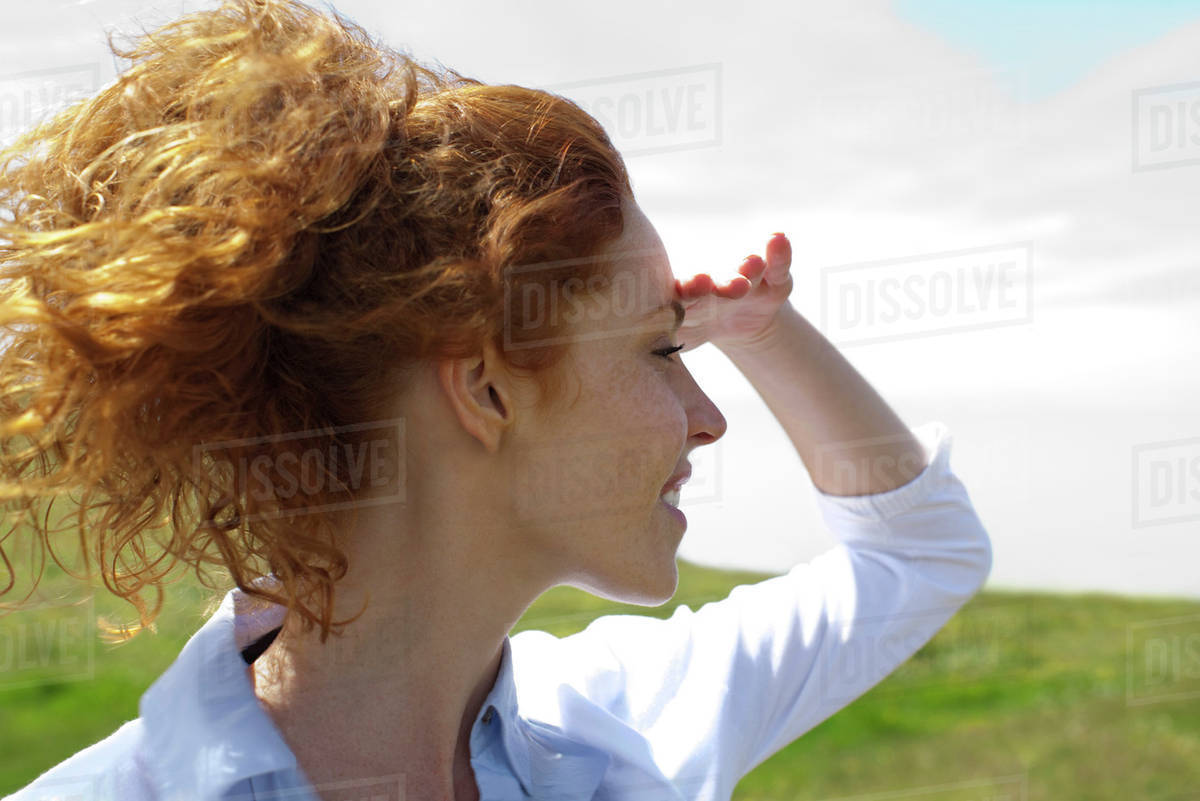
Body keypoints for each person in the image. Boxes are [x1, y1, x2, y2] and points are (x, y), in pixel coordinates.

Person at [0, 1, 993, 800]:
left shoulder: (624, 722)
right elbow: (920, 554)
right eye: (661, 352)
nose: (709, 416)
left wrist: (763, 330)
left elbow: (921, 555)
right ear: (483, 389)